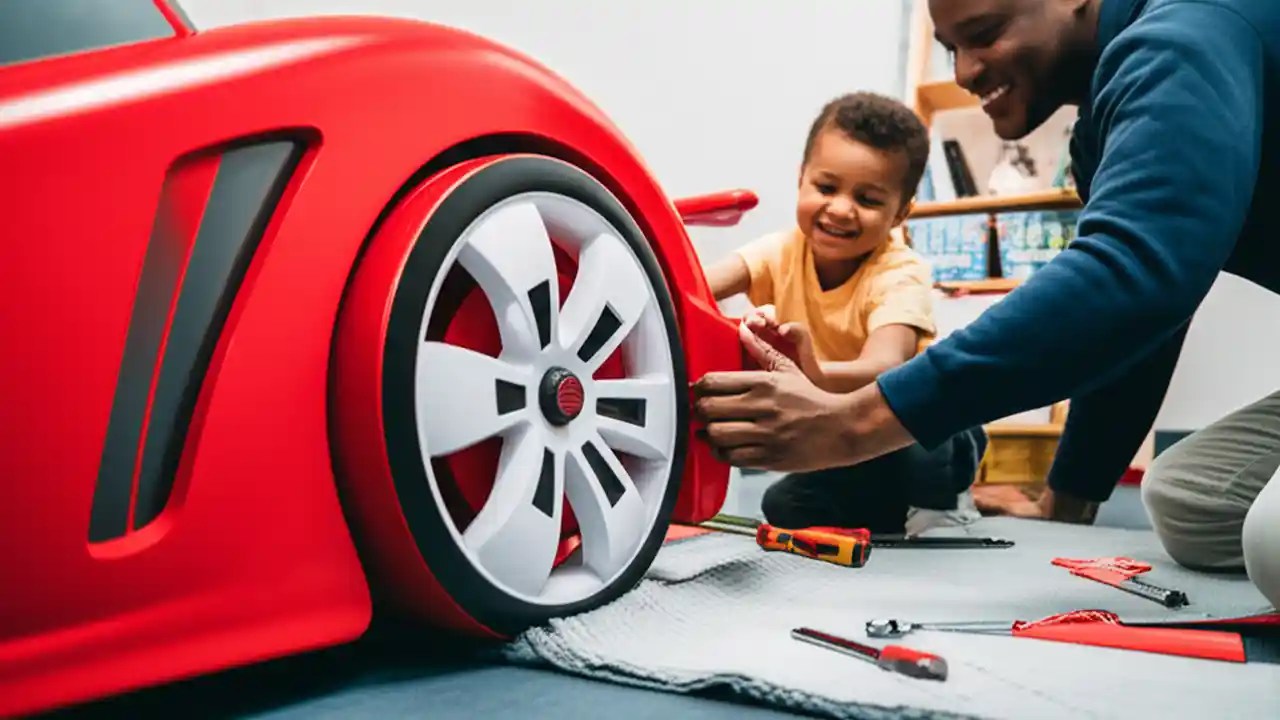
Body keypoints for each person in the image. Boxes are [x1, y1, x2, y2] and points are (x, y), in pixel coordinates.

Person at [693, 0, 1280, 609]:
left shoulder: (1186, 31)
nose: (964, 72)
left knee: (1271, 541)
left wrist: (849, 424)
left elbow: (1133, 274)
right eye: (949, 48)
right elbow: (1143, 323)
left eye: (983, 34)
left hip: (906, 436)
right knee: (1189, 500)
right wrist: (1068, 501)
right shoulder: (1100, 139)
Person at [703, 91, 987, 534]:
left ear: (899, 214)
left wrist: (812, 370)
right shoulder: (779, 251)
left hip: (906, 421)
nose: (839, 209)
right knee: (785, 506)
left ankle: (951, 495)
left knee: (926, 444)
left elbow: (886, 366)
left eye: (868, 199)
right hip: (848, 434)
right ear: (802, 179)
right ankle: (892, 508)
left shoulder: (899, 271)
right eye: (826, 187)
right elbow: (696, 285)